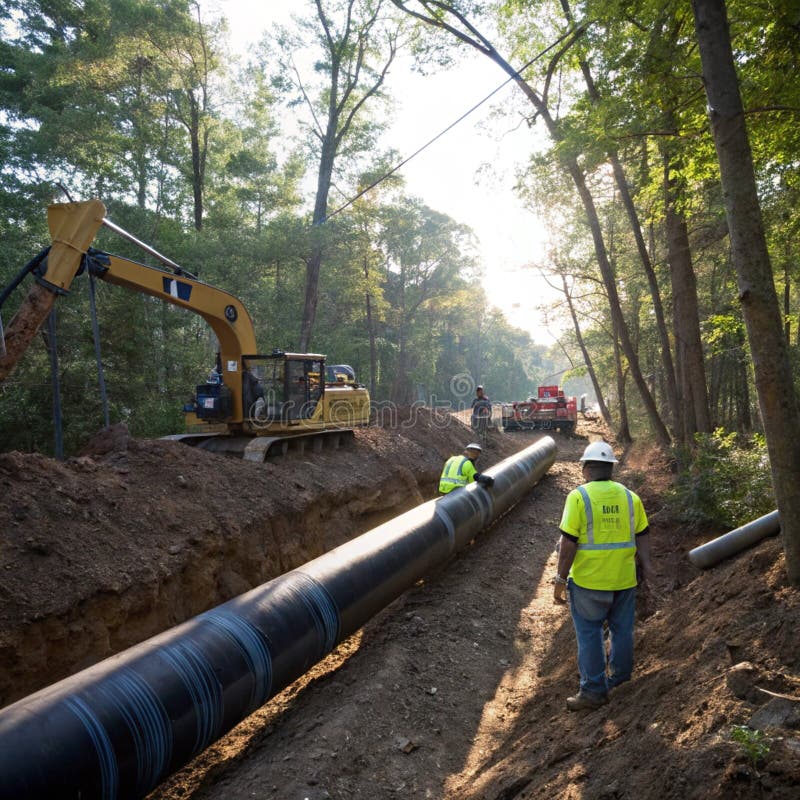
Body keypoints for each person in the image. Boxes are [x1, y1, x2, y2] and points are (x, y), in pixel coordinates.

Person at [553, 440, 655, 711]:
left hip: (588, 582)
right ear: (611, 468)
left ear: (585, 468)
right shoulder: (630, 497)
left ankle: (593, 692)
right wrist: (647, 566)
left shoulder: (578, 497)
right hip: (624, 580)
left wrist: (560, 580)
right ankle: (622, 683)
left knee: (590, 635)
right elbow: (643, 534)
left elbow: (568, 543)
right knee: (622, 632)